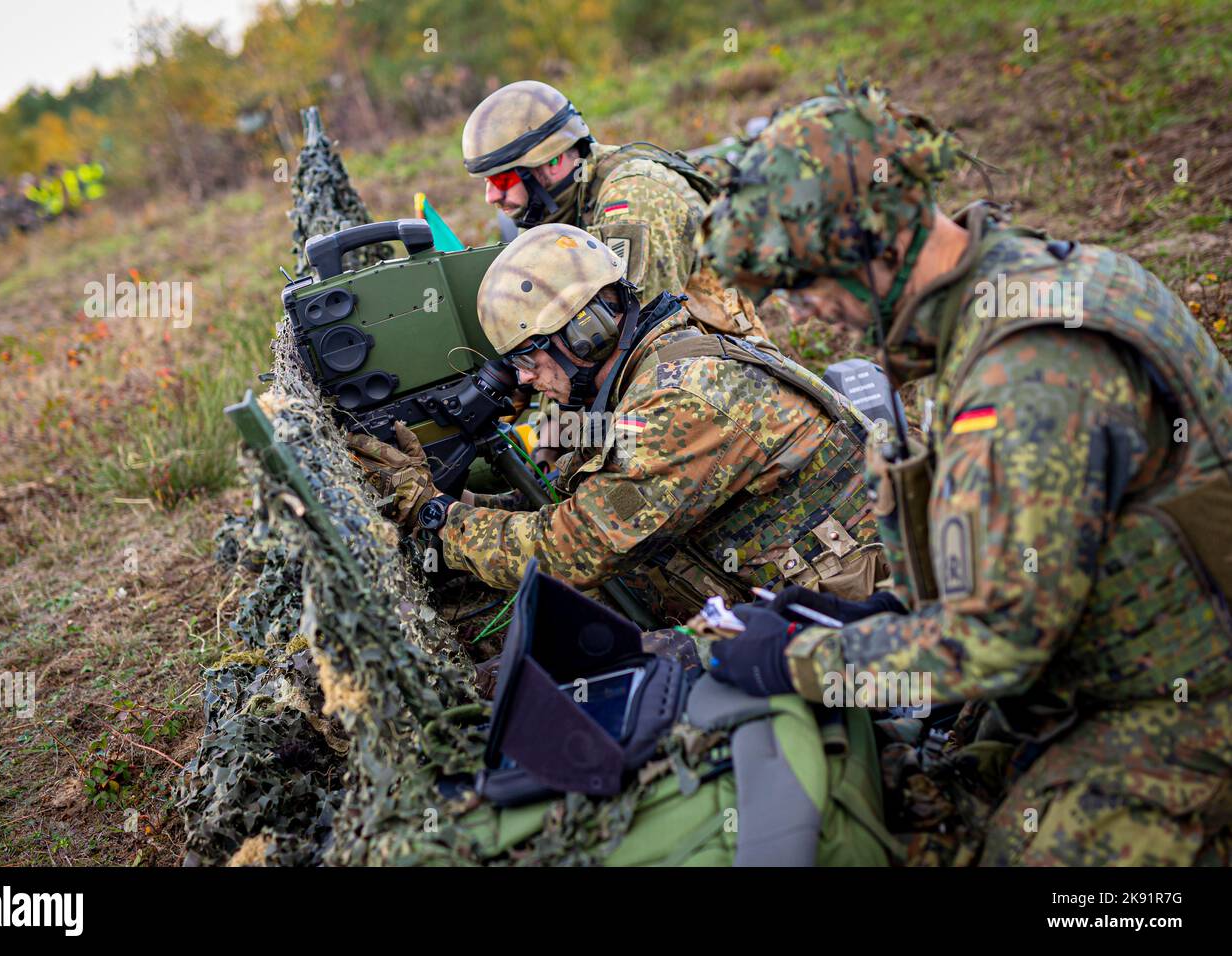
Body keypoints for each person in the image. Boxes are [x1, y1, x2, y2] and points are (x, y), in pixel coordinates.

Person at [700, 80, 1232, 866]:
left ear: (873, 247)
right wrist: (872, 614)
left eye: (804, 284)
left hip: (1184, 701)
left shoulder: (1027, 375)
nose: (802, 313)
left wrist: (798, 662)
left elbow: (1000, 641)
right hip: (1099, 653)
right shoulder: (1017, 282)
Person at [348, 223, 884, 625]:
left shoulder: (680, 399)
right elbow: (571, 510)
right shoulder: (651, 365)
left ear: (585, 332)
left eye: (531, 359)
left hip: (871, 610)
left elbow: (569, 548)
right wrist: (457, 510)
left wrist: (433, 515)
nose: (528, 381)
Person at [462, 82, 770, 468]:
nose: (491, 197)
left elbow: (608, 348)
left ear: (553, 162)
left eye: (502, 180)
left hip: (726, 386)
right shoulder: (563, 208)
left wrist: (551, 455)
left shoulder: (634, 201)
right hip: (672, 381)